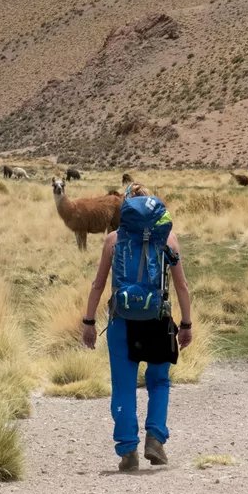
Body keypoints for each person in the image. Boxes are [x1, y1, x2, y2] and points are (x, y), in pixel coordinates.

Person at [81, 185, 194, 471]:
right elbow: (181, 285)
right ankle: (155, 438)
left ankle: (127, 450)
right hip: (158, 319)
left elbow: (98, 284)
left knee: (123, 385)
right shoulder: (167, 238)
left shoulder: (113, 240)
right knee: (158, 381)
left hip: (121, 322)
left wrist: (89, 321)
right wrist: (186, 324)